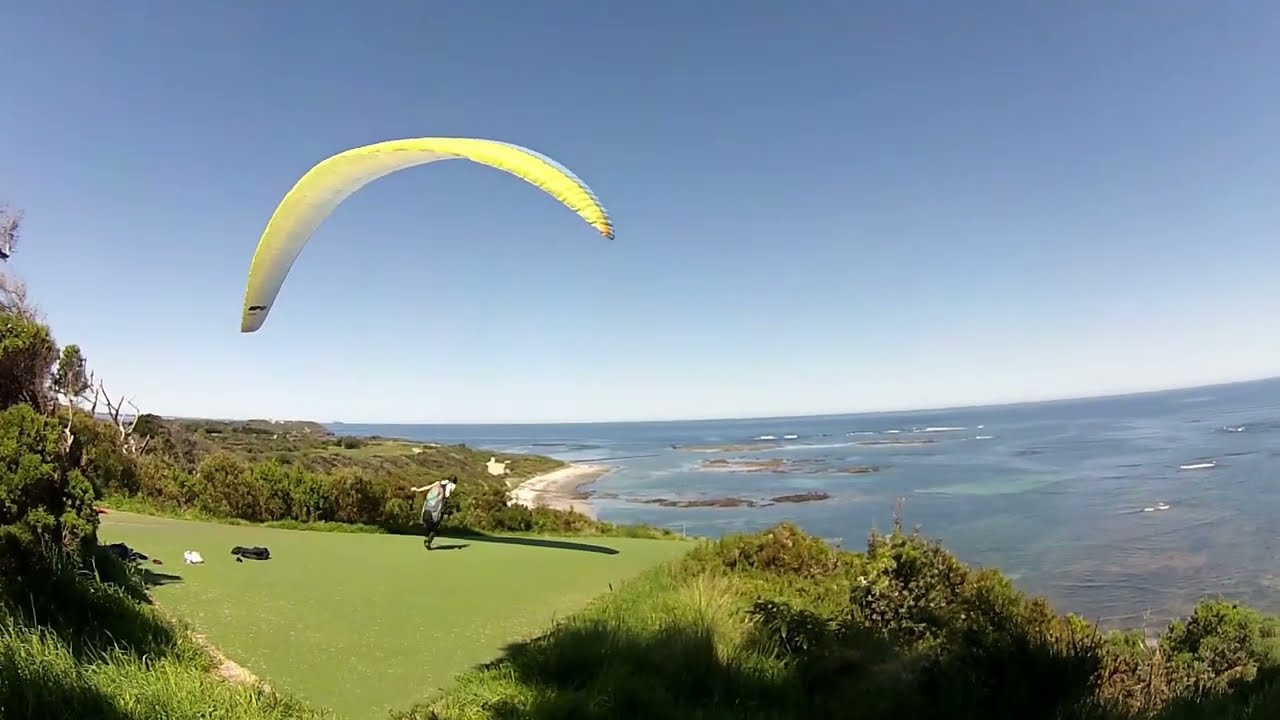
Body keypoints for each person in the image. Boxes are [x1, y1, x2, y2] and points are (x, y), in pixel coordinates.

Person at [411, 475, 457, 550]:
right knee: (435, 527)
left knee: (428, 524)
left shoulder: (438, 483)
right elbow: (447, 495)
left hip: (427, 507)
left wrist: (417, 489)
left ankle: (428, 538)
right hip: (436, 509)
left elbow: (427, 487)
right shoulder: (451, 486)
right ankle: (428, 540)